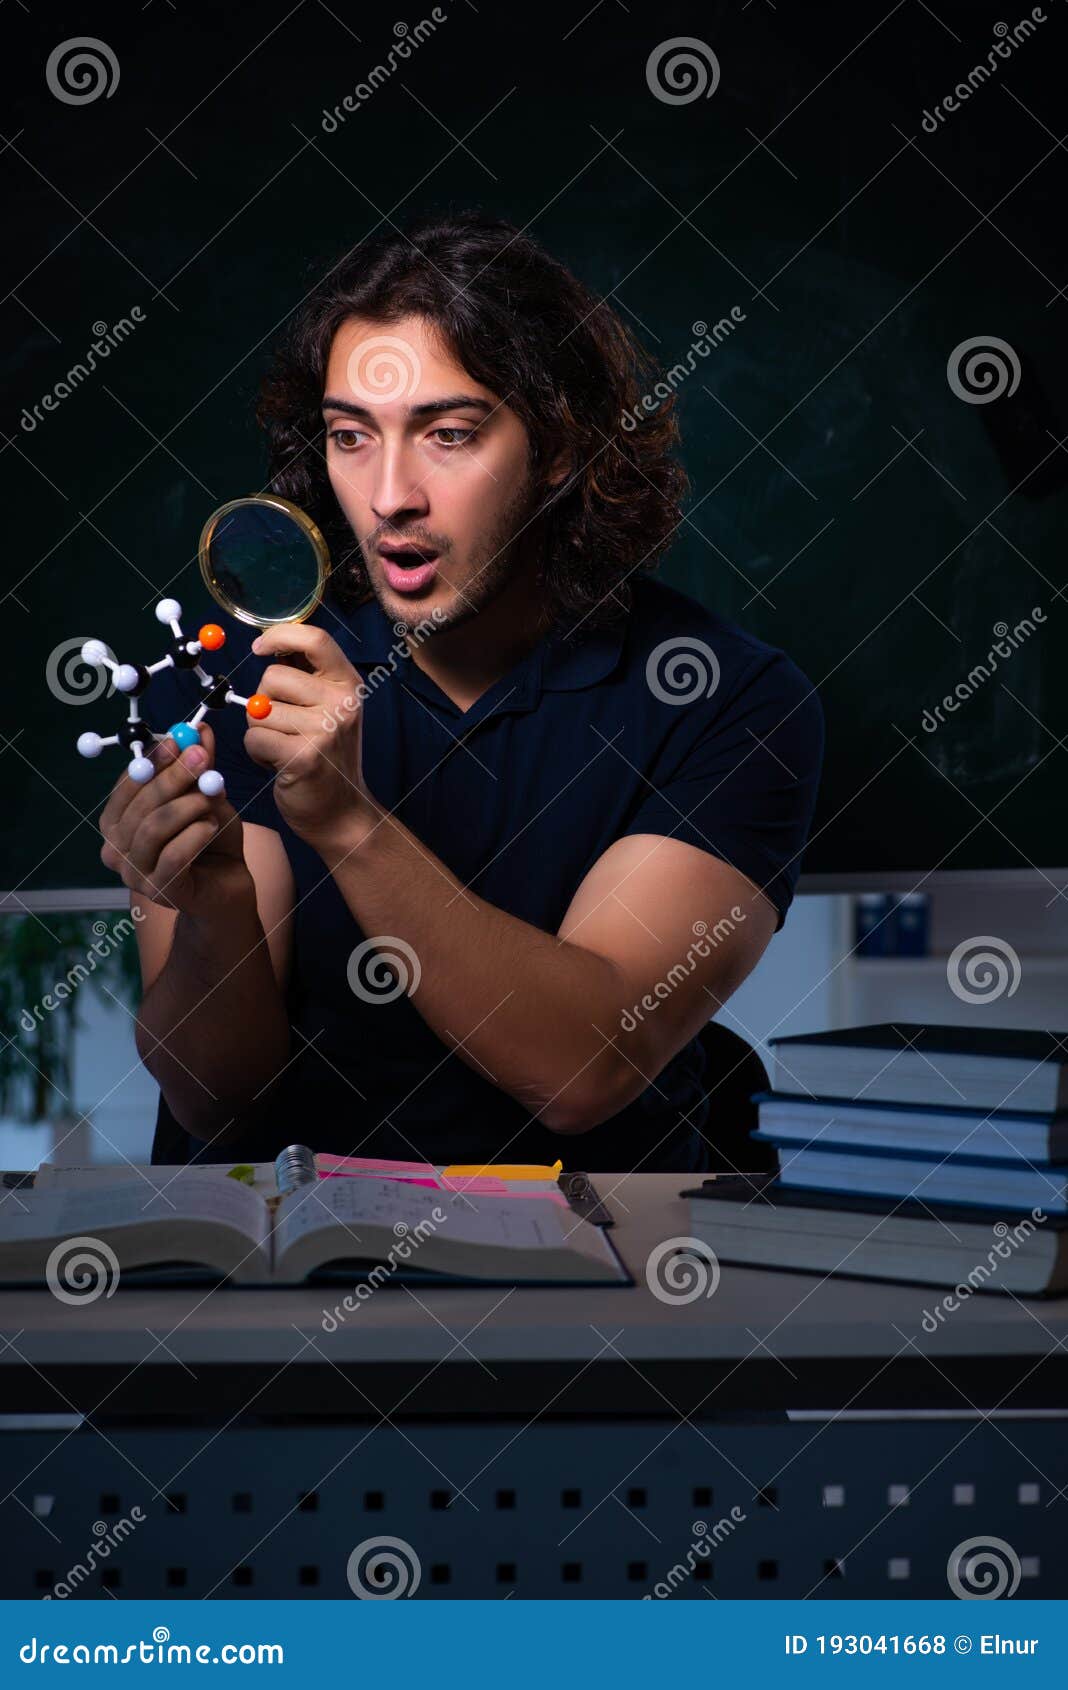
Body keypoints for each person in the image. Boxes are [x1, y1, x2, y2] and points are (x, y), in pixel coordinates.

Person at [98, 210, 824, 1172]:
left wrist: (349, 823)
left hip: (598, 1280)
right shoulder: (225, 681)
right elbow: (217, 1104)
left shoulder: (726, 700)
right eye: (350, 437)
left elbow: (586, 1067)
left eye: (447, 434)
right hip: (275, 1272)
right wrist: (217, 910)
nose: (389, 494)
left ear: (559, 447)